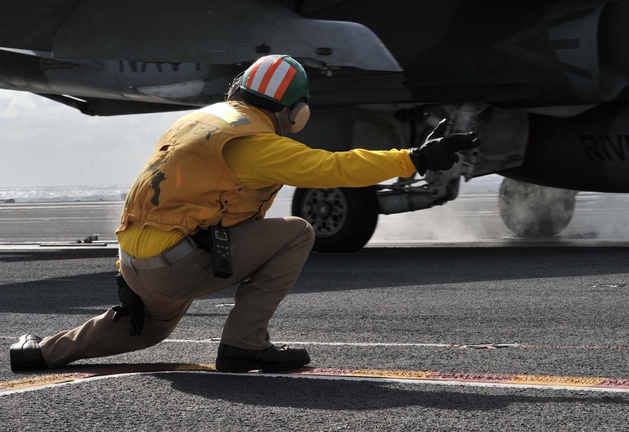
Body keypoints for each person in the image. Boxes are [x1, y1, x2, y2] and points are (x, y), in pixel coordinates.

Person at [9, 54, 478, 374]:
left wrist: (125, 277)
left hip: (136, 259)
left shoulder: (196, 122)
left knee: (146, 329)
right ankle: (244, 344)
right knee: (296, 232)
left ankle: (40, 354)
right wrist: (414, 158)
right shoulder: (257, 144)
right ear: (295, 113)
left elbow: (147, 197)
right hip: (176, 263)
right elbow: (334, 167)